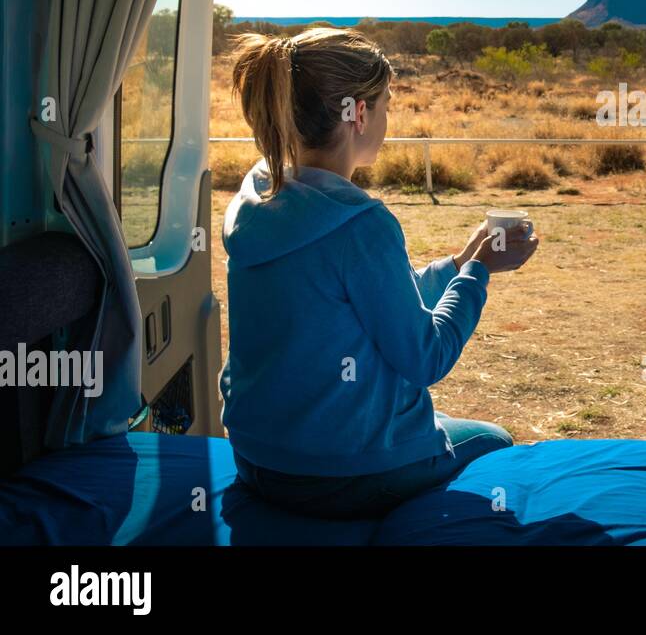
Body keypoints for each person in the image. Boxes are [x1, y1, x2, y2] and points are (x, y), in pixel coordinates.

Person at [219, 27, 537, 519]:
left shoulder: (257, 198)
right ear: (359, 114)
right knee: (492, 438)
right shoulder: (361, 224)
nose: (389, 118)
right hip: (341, 477)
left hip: (257, 461)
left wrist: (457, 262)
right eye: (387, 103)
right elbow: (425, 359)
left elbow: (365, 297)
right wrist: (478, 273)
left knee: (442, 421)